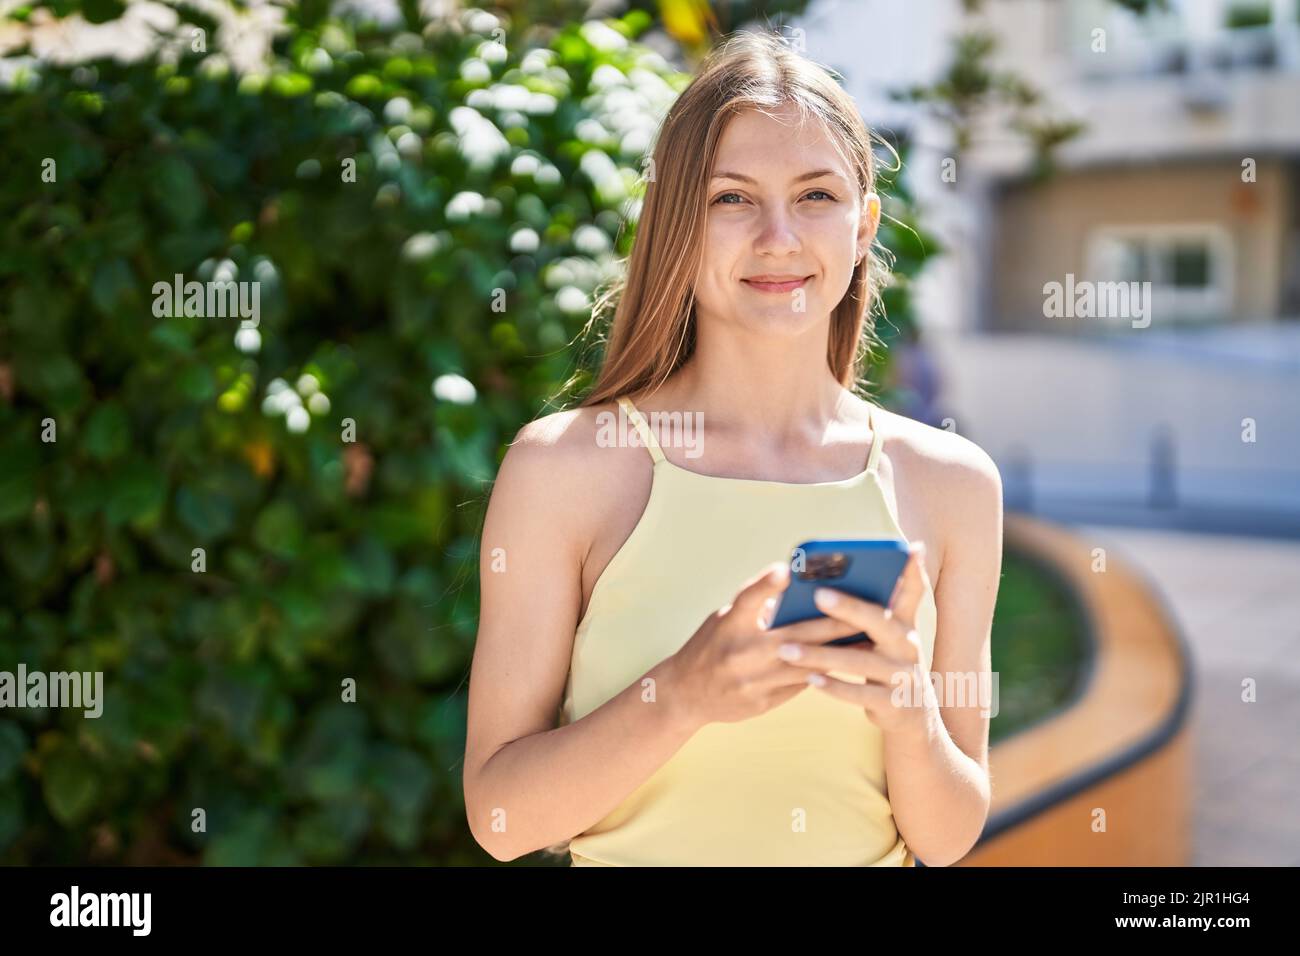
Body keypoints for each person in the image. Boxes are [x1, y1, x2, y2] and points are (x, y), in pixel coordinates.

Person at [463, 31, 1002, 867]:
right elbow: (500, 822)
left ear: (863, 228)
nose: (779, 237)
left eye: (816, 196)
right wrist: (680, 695)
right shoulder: (565, 470)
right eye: (731, 199)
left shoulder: (953, 484)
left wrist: (909, 716)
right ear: (678, 226)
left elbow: (950, 835)